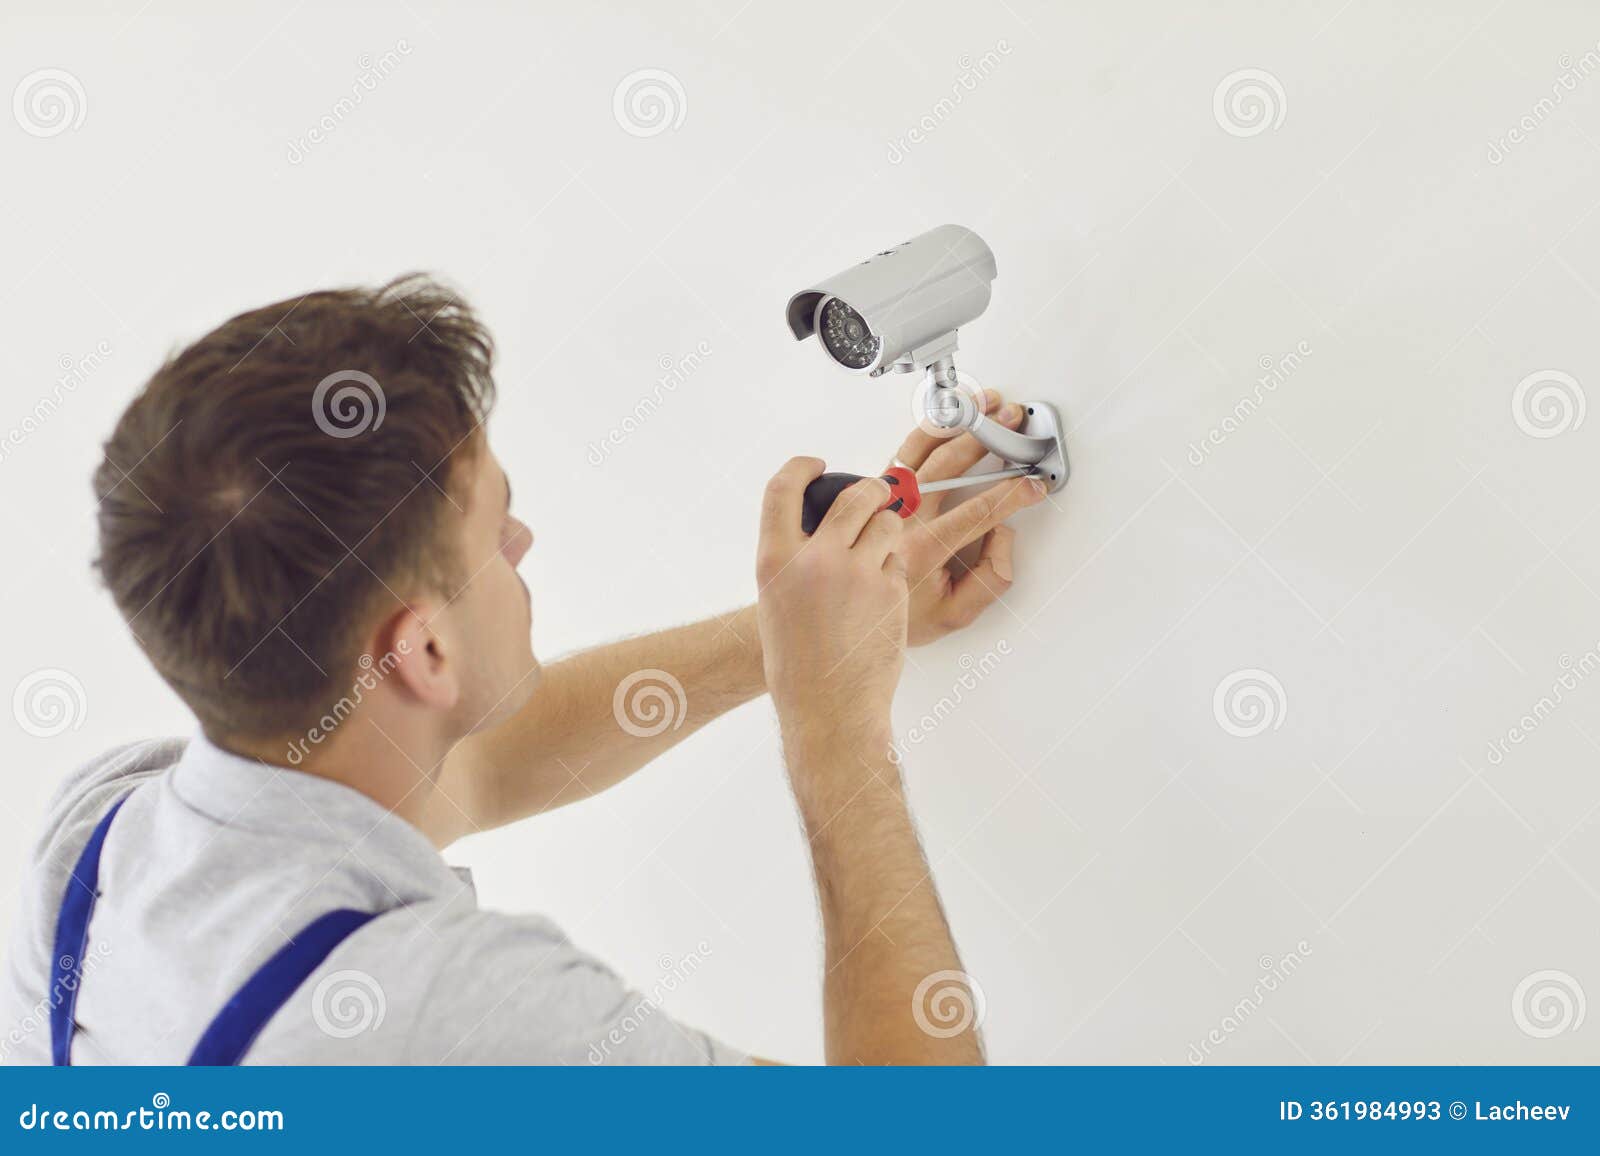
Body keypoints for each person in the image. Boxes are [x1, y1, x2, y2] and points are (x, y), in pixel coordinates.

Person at [0, 276, 1046, 1065]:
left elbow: (481, 766)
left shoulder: (103, 839)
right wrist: (836, 735)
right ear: (424, 650)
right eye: (497, 532)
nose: (523, 542)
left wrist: (803, 635)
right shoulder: (458, 1017)